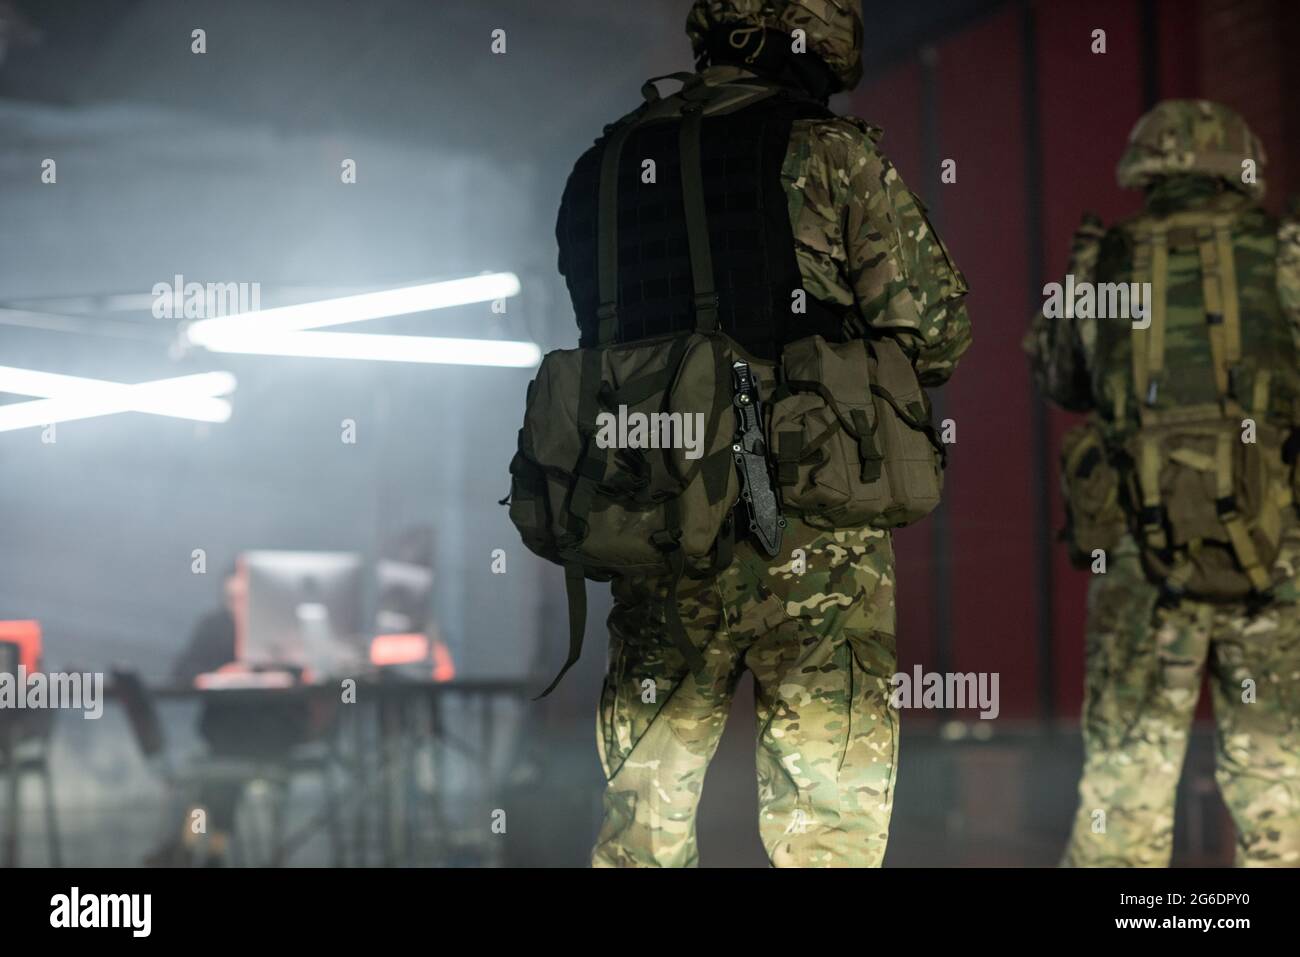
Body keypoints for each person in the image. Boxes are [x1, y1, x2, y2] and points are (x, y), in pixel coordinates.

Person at [553, 0, 971, 867]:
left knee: (641, 822)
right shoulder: (830, 152)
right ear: (813, 36)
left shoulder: (602, 164)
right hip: (814, 535)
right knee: (825, 825)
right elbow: (936, 329)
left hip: (657, 526)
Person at [1025, 99, 1300, 867]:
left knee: (1124, 784)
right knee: (1282, 787)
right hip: (1275, 554)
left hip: (1141, 559)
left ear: (1148, 168)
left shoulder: (1104, 259)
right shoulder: (1284, 249)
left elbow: (1058, 376)